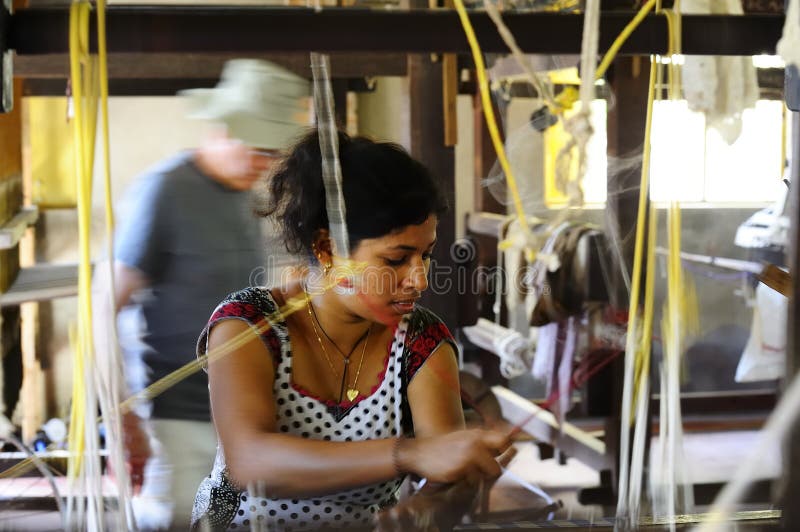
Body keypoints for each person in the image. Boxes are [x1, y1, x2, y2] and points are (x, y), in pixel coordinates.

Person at [191, 130, 511, 531]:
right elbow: (250, 461)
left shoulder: (420, 342)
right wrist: (407, 454)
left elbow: (448, 473)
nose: (419, 279)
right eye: (396, 259)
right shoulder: (250, 323)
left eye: (425, 255)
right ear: (327, 248)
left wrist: (430, 505)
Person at [97, 59, 310, 530]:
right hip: (179, 411)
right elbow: (106, 301)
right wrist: (120, 408)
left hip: (241, 408)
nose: (263, 164)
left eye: (271, 153)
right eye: (255, 149)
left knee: (223, 520)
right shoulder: (165, 191)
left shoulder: (243, 195)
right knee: (177, 517)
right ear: (220, 128)